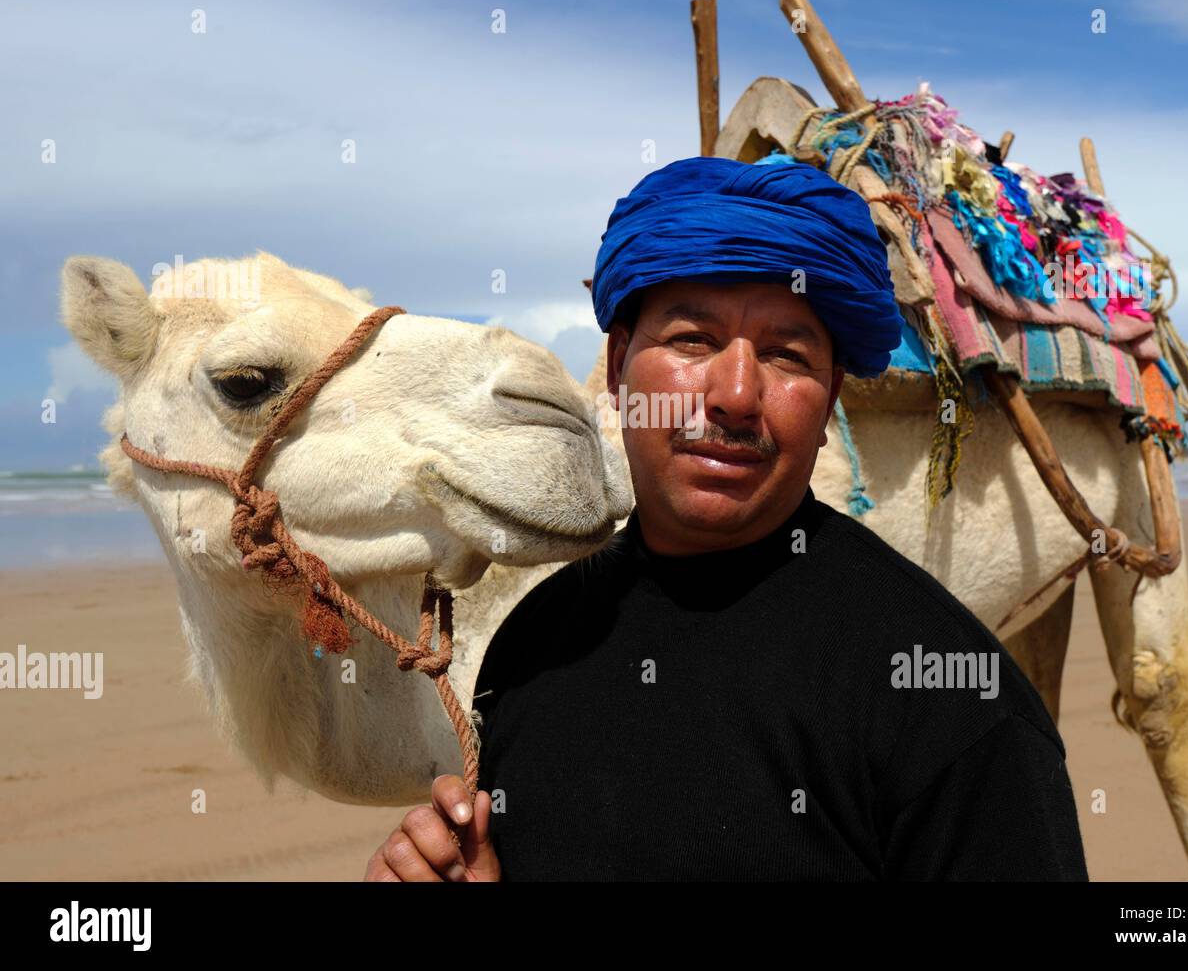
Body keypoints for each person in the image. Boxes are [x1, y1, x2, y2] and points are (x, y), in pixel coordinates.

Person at [364, 157, 1088, 882]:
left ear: (830, 395)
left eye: (785, 354)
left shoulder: (949, 699)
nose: (737, 394)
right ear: (618, 367)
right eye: (692, 341)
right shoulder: (532, 649)